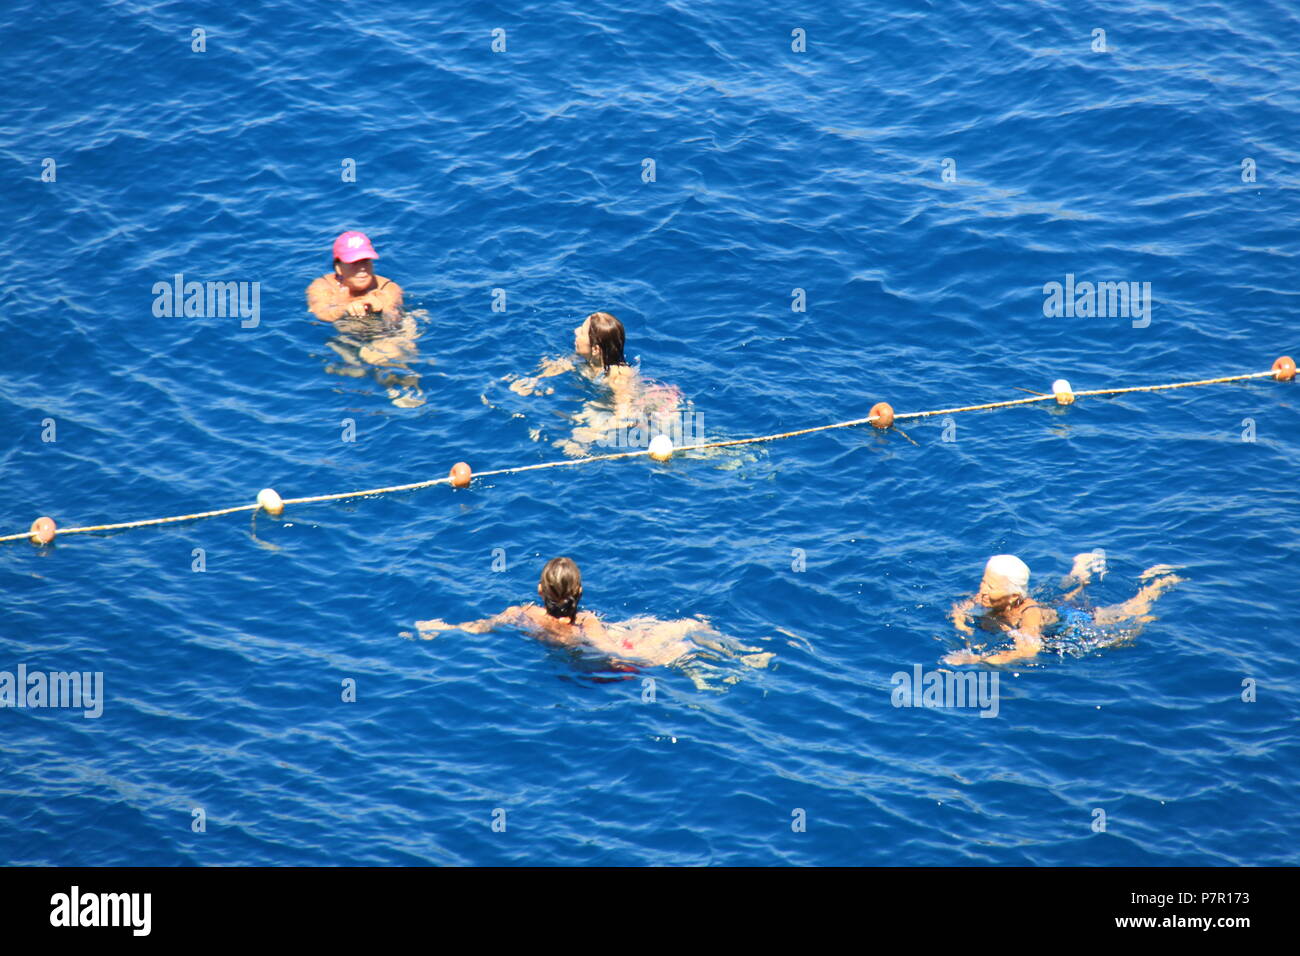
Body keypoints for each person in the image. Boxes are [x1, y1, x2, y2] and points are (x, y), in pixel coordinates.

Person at [415, 557, 710, 667]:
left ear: (540, 591)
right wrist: (656, 658)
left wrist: (443, 628)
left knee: (648, 629)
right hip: (605, 663)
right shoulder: (589, 623)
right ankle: (738, 653)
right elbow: (615, 653)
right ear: (580, 592)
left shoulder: (522, 613)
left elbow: (481, 626)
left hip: (574, 661)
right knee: (686, 627)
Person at [943, 553, 1183, 665]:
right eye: (983, 581)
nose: (982, 590)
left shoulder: (1030, 614)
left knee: (1132, 615)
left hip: (1074, 624)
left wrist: (976, 659)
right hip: (1054, 611)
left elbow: (1028, 652)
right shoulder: (988, 596)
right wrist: (961, 624)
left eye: (990, 586)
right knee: (1064, 596)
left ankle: (1159, 583)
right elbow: (960, 609)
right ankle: (1079, 574)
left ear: (1014, 595)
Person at [509, 312, 683, 456]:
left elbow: (625, 416)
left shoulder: (617, 377)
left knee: (585, 420)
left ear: (595, 349)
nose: (576, 331)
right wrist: (534, 380)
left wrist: (592, 434)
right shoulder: (584, 358)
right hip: (617, 402)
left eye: (582, 332)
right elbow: (562, 365)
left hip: (653, 411)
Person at [305, 231, 423, 407]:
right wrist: (344, 309)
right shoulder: (322, 287)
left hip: (386, 332)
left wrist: (381, 310)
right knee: (346, 368)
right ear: (338, 267)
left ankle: (406, 388)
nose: (362, 269)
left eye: (365, 261)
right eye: (354, 263)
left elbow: (394, 318)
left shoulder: (387, 288)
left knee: (388, 348)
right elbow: (320, 313)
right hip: (347, 334)